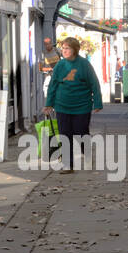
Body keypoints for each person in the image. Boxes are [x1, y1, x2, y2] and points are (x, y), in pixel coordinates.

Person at [44, 37, 103, 172]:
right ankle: (68, 165)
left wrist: (98, 103)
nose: (64, 51)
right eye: (63, 48)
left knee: (81, 133)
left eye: (67, 48)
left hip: (82, 105)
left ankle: (86, 154)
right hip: (62, 105)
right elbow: (53, 85)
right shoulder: (60, 65)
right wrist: (49, 104)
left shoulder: (84, 64)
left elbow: (94, 83)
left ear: (75, 49)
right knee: (65, 135)